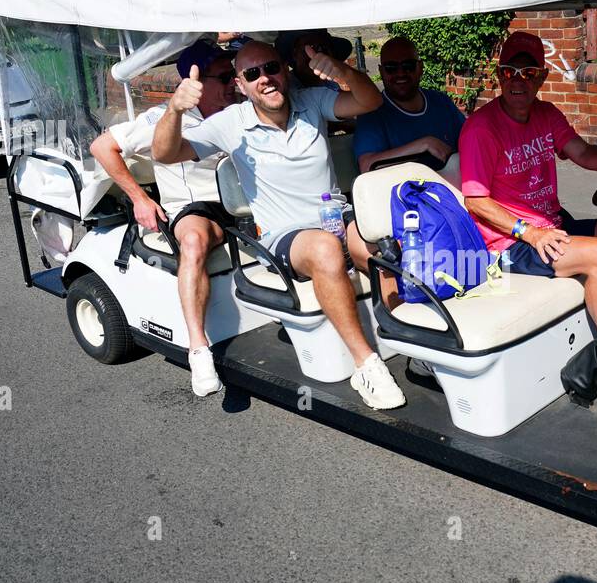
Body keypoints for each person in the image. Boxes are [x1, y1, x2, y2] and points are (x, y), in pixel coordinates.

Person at [152, 39, 408, 410]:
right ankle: (366, 364)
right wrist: (174, 109)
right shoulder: (230, 124)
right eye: (252, 74)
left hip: (336, 217)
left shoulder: (312, 102)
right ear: (240, 84)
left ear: (284, 70)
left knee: (383, 240)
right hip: (286, 236)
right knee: (323, 249)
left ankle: (406, 338)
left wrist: (345, 73)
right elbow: (165, 153)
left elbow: (370, 101)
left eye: (271, 68)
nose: (265, 79)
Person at [459, 31, 597, 396]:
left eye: (528, 73)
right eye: (510, 72)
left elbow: (582, 153)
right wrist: (532, 233)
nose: (518, 81)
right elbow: (476, 201)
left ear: (541, 77)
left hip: (552, 225)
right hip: (511, 244)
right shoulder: (481, 128)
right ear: (499, 77)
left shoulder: (546, 114)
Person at [89, 38, 238, 398]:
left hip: (245, 199)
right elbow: (101, 147)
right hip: (197, 207)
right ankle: (199, 350)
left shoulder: (241, 110)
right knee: (192, 240)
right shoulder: (161, 118)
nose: (233, 83)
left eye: (233, 75)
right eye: (224, 77)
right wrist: (139, 197)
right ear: (195, 82)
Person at [353, 35, 465, 174]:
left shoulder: (441, 101)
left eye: (408, 66)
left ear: (420, 67)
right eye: (391, 68)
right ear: (381, 72)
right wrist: (424, 144)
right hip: (401, 193)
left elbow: (470, 142)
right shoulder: (373, 113)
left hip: (452, 187)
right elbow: (368, 165)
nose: (400, 73)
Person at [276, 29, 355, 91]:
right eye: (310, 47)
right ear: (294, 53)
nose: (317, 55)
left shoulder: (339, 84)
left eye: (323, 47)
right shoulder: (285, 89)